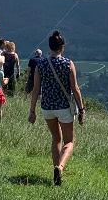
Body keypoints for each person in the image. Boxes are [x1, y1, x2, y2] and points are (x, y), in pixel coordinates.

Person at [28, 30, 86, 186]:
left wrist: (32, 110)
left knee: (56, 139)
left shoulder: (41, 65)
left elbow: (36, 89)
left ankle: (56, 171)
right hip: (64, 108)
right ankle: (60, 168)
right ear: (62, 47)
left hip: (47, 108)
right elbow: (75, 88)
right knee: (69, 142)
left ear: (50, 47)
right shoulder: (68, 63)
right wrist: (81, 109)